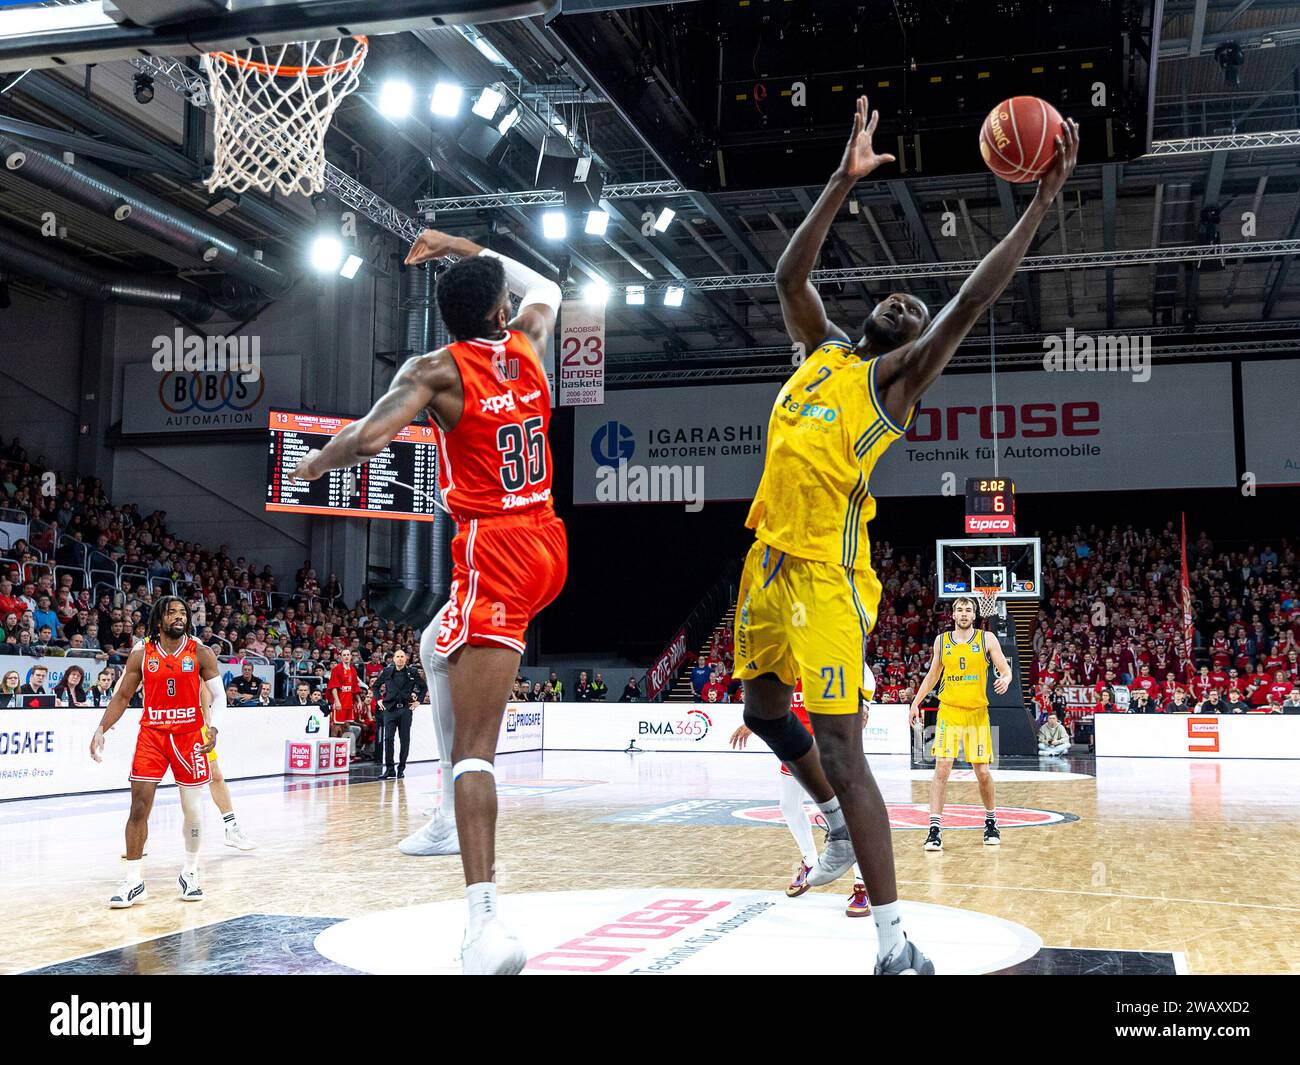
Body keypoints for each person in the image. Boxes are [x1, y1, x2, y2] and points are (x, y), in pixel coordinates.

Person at [731, 96, 1076, 976]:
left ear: (914, 347)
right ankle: (837, 820)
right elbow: (787, 279)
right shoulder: (820, 354)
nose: (905, 300)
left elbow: (969, 296)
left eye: (914, 310)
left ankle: (895, 941)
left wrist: (1039, 205)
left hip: (829, 575)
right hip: (766, 560)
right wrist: (840, 182)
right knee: (762, 708)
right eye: (896, 295)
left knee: (844, 747)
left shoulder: (889, 384)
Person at [291, 226, 566, 976]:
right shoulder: (530, 343)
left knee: (475, 757)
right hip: (547, 538)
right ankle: (447, 809)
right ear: (499, 307)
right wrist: (464, 246)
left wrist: (317, 459)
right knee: (429, 645)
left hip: (496, 551)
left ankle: (485, 924)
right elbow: (550, 286)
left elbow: (372, 437)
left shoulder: (436, 368)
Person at [89, 597, 224, 907]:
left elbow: (219, 697)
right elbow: (122, 696)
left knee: (192, 808)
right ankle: (134, 881)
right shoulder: (141, 654)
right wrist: (101, 729)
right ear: (158, 619)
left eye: (183, 613)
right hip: (152, 734)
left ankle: (190, 872)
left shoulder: (201, 652)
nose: (178, 617)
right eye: (171, 612)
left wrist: (215, 728)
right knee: (138, 806)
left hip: (190, 736)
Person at [730, 673, 872, 917]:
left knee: (843, 814)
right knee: (789, 806)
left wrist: (865, 705)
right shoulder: (781, 653)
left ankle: (862, 884)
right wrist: (754, 721)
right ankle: (810, 862)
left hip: (828, 736)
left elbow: (862, 669)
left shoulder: (820, 646)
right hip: (794, 739)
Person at [910, 596, 1013, 850]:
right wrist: (916, 702)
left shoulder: (986, 639)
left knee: (982, 772)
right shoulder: (942, 641)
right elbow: (933, 675)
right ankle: (934, 829)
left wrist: (1006, 679)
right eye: (960, 610)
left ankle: (991, 820)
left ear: (974, 614)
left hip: (977, 713)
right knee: (942, 768)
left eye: (968, 609)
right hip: (950, 712)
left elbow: (1005, 668)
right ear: (953, 615)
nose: (964, 613)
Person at [375, 647, 422, 779]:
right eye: (398, 657)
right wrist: (379, 699)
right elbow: (375, 686)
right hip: (390, 710)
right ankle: (390, 769)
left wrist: (418, 701)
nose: (400, 659)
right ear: (394, 659)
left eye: (402, 657)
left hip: (406, 710)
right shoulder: (387, 671)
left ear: (406, 659)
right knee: (388, 739)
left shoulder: (412, 672)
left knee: (404, 739)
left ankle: (401, 769)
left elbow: (423, 687)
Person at [327, 648, 364, 759]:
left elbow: (355, 687)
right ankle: (332, 751)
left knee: (346, 726)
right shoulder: (337, 669)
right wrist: (336, 701)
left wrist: (358, 701)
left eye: (348, 654)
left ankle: (342, 752)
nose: (347, 656)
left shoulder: (352, 669)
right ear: (340, 657)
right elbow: (333, 686)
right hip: (340, 701)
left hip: (349, 701)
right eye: (344, 655)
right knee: (336, 726)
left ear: (351, 656)